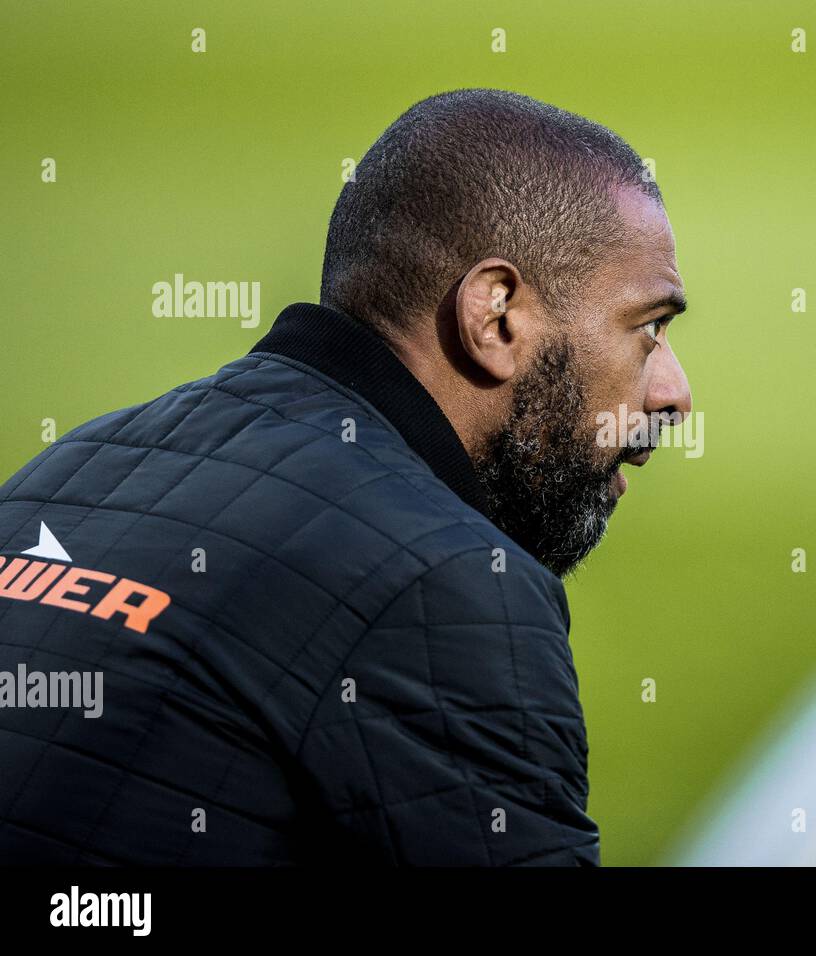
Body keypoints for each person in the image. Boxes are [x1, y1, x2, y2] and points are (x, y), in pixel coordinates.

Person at [0, 88, 691, 865]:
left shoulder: (57, 479)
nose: (673, 395)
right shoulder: (449, 589)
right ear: (498, 317)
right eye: (650, 328)